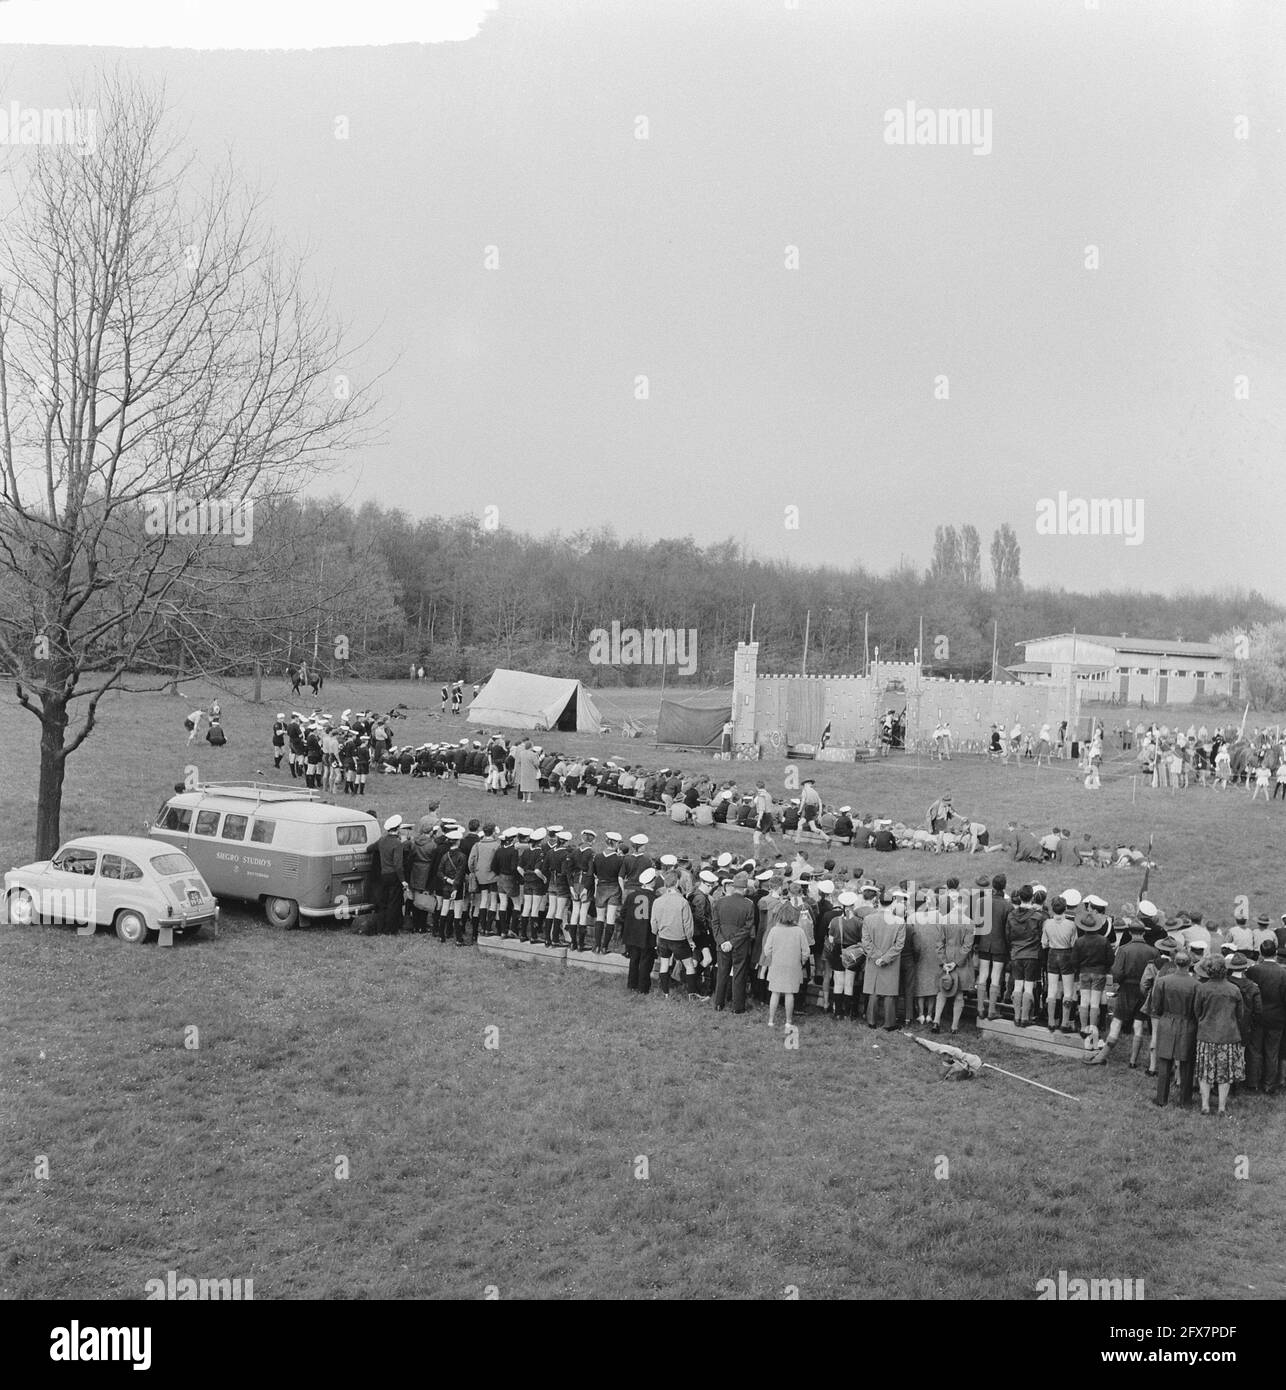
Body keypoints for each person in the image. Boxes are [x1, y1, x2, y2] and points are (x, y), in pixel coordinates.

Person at [1194, 954, 1246, 1115]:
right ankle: (1222, 1106)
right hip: (1228, 1036)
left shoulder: (1202, 988)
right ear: (1225, 969)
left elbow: (1197, 1012)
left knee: (1204, 1071)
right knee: (1225, 1073)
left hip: (1206, 1035)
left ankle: (1205, 1104)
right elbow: (1240, 1014)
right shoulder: (1234, 989)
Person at [762, 901, 812, 1030]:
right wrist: (801, 961)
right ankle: (788, 1021)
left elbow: (767, 950)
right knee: (790, 994)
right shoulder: (799, 931)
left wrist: (773, 958)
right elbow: (806, 951)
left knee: (775, 992)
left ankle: (771, 1021)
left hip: (777, 964)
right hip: (793, 965)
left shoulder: (774, 930)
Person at [712, 873, 756, 1013]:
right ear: (744, 889)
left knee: (722, 974)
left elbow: (715, 924)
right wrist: (732, 942)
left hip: (722, 943)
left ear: (733, 886)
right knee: (739, 975)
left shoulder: (719, 902)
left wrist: (722, 941)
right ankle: (737, 1007)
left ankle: (719, 1004)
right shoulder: (748, 905)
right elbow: (747, 927)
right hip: (740, 945)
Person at [862, 891, 906, 1030]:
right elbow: (899, 945)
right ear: (892, 903)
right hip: (890, 961)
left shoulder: (868, 919)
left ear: (878, 902)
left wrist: (876, 956)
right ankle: (889, 1023)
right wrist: (885, 958)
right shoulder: (899, 921)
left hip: (873, 960)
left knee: (873, 992)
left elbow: (866, 941)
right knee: (889, 993)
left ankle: (871, 1021)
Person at [1246, 939, 1285, 1094]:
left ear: (1261, 953)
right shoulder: (1283, 973)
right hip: (1277, 1017)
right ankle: (1269, 1084)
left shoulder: (1253, 970)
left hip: (1257, 1015)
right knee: (1272, 1051)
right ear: (1275, 953)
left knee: (1255, 1050)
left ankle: (1253, 1083)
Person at [652, 871, 697, 998]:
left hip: (663, 937)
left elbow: (653, 922)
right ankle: (691, 994)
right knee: (689, 965)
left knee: (664, 964)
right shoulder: (682, 902)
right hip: (679, 938)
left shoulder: (658, 901)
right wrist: (690, 939)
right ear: (677, 882)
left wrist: (657, 933)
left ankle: (665, 993)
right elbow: (687, 923)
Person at [368, 813, 409, 937]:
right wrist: (403, 880)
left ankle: (381, 927)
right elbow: (398, 865)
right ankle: (390, 929)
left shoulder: (382, 840)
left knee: (384, 902)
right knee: (394, 903)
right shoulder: (397, 843)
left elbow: (369, 848)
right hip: (394, 876)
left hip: (383, 875)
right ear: (397, 828)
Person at [1042, 893, 1079, 1031]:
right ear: (1065, 908)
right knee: (1068, 990)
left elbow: (1044, 943)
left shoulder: (1047, 923)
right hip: (1066, 954)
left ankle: (1051, 1022)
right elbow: (1074, 943)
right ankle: (1064, 1023)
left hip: (1052, 953)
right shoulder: (1071, 925)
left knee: (1052, 989)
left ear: (1052, 908)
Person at [621, 868, 657, 993]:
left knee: (634, 960)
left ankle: (631, 984)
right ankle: (643, 988)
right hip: (647, 934)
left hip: (632, 934)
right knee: (646, 962)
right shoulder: (654, 897)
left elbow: (623, 914)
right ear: (652, 882)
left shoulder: (631, 896)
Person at [513, 739, 541, 804]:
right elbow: (536, 764)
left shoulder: (521, 753)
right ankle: (529, 799)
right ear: (531, 746)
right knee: (530, 785)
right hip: (531, 771)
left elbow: (519, 762)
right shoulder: (533, 754)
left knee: (524, 784)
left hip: (523, 770)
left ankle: (523, 798)